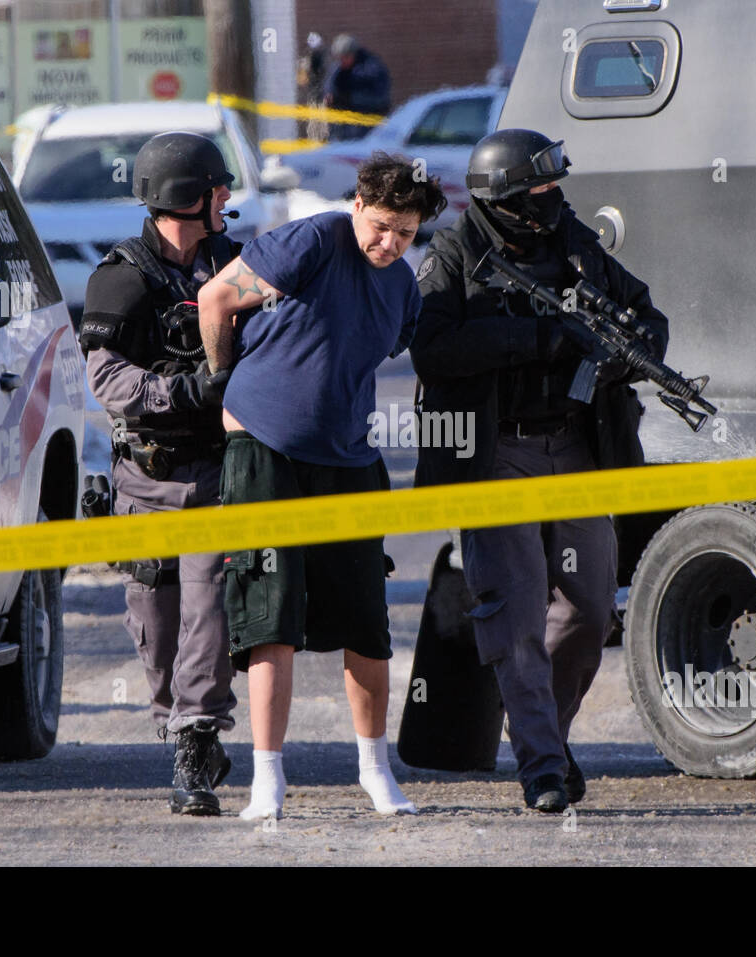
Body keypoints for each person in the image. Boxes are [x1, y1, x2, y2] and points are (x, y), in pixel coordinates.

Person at [409, 129, 669, 811]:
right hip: (497, 452)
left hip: (577, 446)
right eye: (538, 191)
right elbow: (432, 348)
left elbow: (646, 313)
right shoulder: (454, 253)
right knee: (516, 609)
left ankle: (543, 732)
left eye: (554, 187)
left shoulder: (574, 243)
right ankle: (542, 764)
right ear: (503, 201)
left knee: (588, 610)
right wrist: (538, 339)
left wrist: (626, 350)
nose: (553, 200)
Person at [194, 153, 446, 819]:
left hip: (348, 457)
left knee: (366, 617)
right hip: (264, 445)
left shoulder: (403, 289)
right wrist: (225, 381)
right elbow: (218, 299)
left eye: (408, 233)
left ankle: (374, 769)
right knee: (269, 613)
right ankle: (266, 780)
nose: (391, 242)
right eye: (385, 225)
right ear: (359, 204)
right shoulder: (314, 238)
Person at [79, 132, 241, 815]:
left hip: (217, 477)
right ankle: (179, 722)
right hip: (146, 478)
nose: (228, 198)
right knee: (158, 625)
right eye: (216, 188)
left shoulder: (235, 264)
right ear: (186, 196)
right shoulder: (122, 277)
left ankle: (195, 744)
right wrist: (179, 393)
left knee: (209, 609)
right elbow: (107, 378)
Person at [323, 34, 391, 141]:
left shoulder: (373, 68)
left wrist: (350, 98)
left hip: (366, 129)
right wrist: (330, 95)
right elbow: (329, 84)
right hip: (341, 129)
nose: (341, 62)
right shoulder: (337, 68)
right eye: (339, 58)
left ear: (353, 54)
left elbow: (381, 99)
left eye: (344, 58)